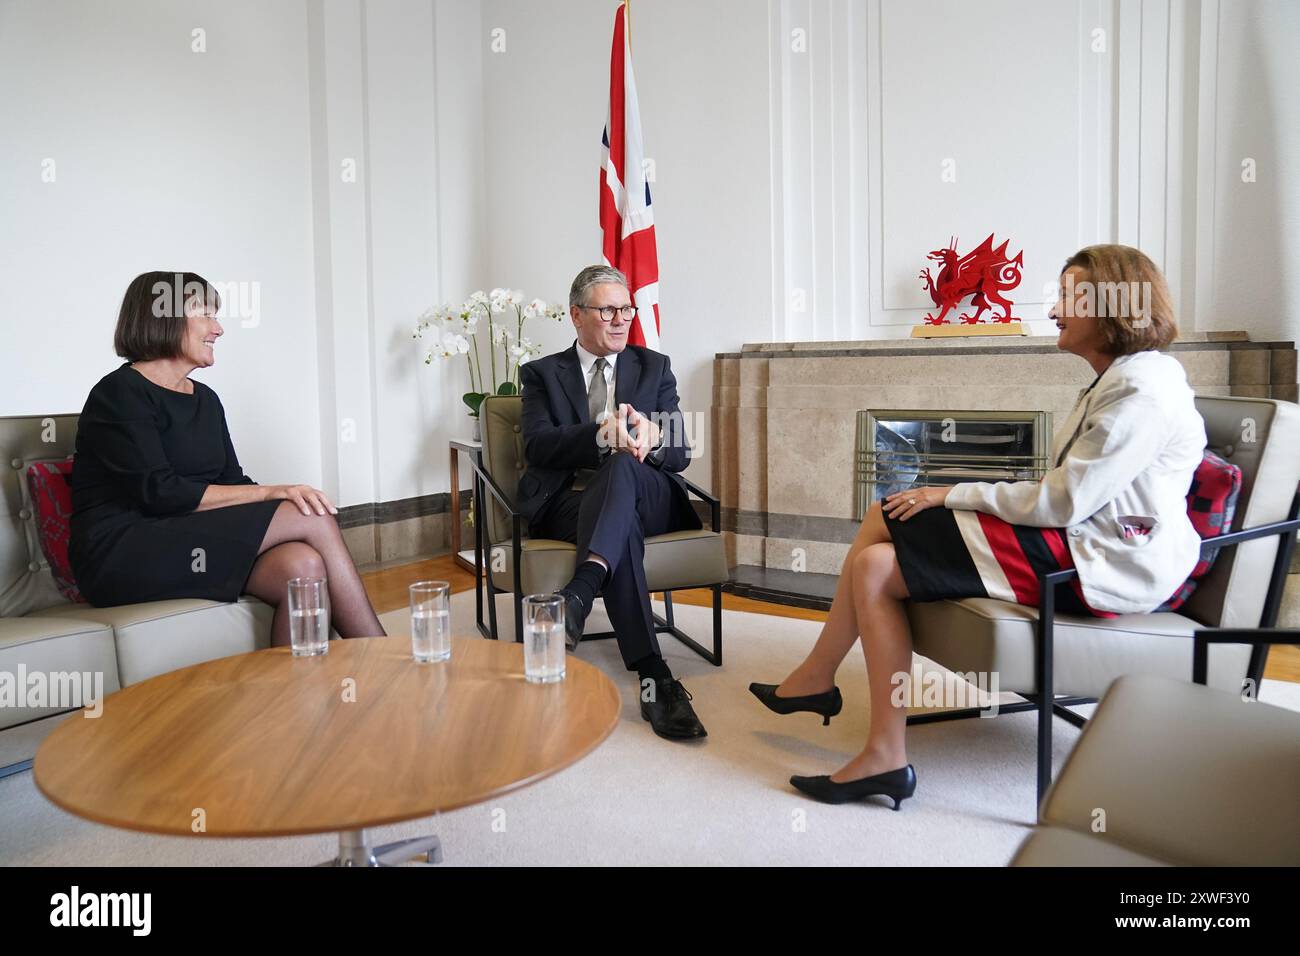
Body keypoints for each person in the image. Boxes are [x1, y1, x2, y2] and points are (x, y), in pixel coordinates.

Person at [750, 244, 1207, 808]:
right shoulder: (1122, 379)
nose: (1055, 309)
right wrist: (958, 497)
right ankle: (880, 751)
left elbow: (1062, 502)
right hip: (1081, 542)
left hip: (1102, 563)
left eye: (1068, 297)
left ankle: (822, 682)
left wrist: (950, 492)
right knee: (874, 561)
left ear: (1114, 306)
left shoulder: (1142, 391)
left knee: (883, 518)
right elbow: (1066, 498)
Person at [69, 271, 386, 646]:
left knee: (303, 565)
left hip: (182, 536)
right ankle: (380, 654)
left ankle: (300, 697)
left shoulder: (205, 399)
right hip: (121, 551)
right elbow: (159, 493)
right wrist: (277, 494)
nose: (218, 329)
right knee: (308, 513)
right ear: (164, 318)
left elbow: (233, 483)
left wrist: (273, 496)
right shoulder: (119, 393)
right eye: (205, 314)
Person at [518, 264, 705, 740]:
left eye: (626, 308)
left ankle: (579, 593)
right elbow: (536, 446)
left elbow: (681, 454)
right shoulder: (541, 373)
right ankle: (654, 678)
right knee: (617, 522)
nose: (622, 318)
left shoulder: (653, 366)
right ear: (576, 315)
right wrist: (599, 435)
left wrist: (656, 435)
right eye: (608, 310)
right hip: (572, 501)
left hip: (649, 496)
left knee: (624, 466)